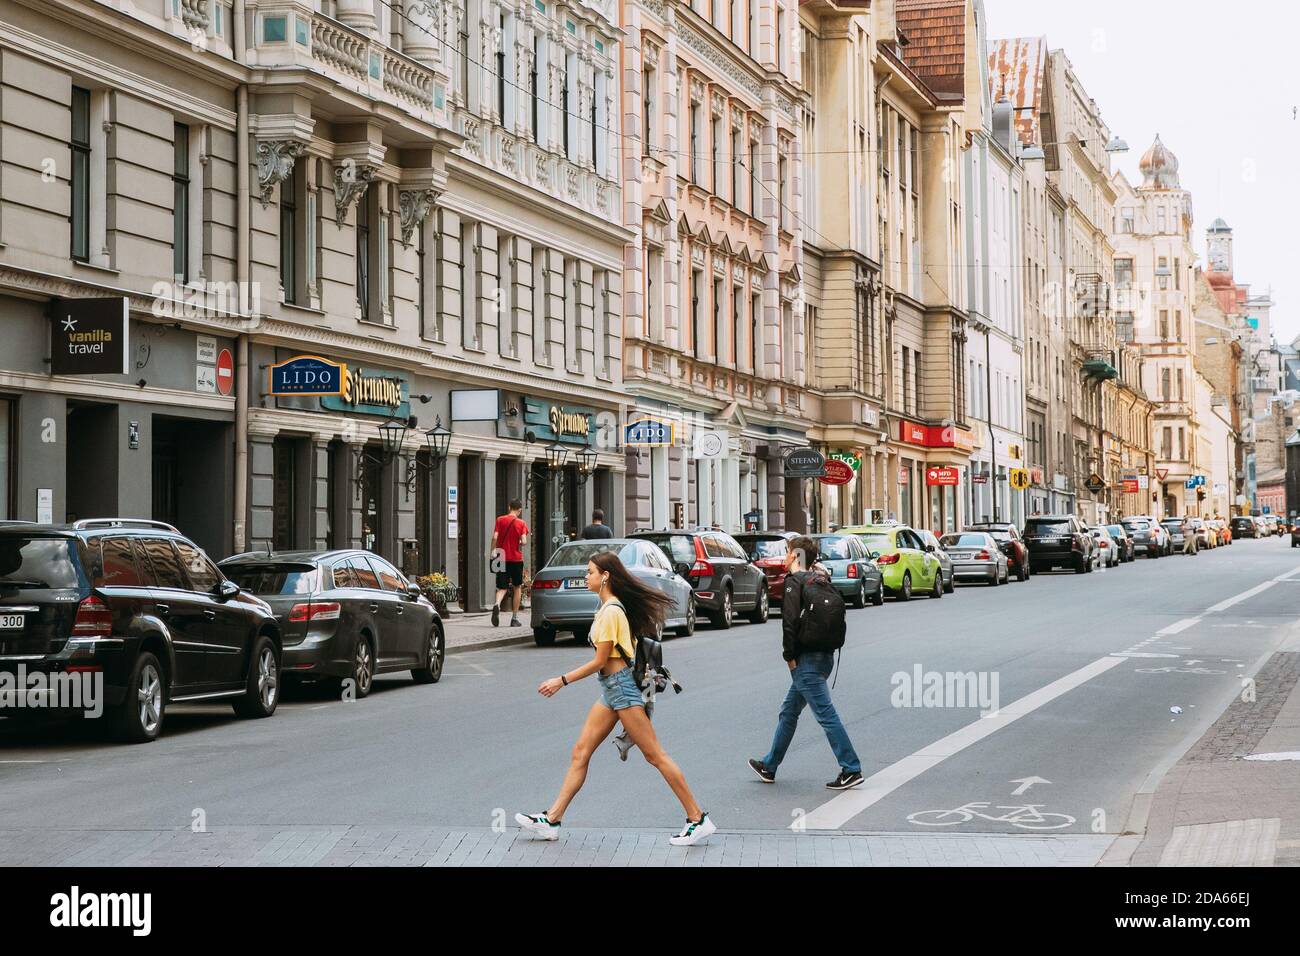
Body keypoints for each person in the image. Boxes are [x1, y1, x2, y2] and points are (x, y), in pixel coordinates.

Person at [516, 550, 716, 846]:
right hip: (611, 689)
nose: (586, 576)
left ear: (605, 576)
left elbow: (599, 661)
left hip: (621, 689)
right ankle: (552, 820)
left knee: (655, 755)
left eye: (590, 572)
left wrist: (560, 681)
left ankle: (697, 819)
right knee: (580, 752)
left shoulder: (611, 611)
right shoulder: (608, 607)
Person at [749, 535, 863, 790]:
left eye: (789, 551)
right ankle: (770, 765)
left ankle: (851, 768)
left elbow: (788, 624)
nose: (786, 555)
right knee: (789, 711)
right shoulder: (820, 578)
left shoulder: (794, 582)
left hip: (806, 662)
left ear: (796, 556)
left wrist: (789, 659)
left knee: (826, 714)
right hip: (825, 658)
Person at [490, 499, 528, 626]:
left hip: (501, 556)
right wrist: (519, 542)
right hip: (516, 559)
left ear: (509, 507)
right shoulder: (521, 523)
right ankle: (514, 618)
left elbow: (495, 537)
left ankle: (497, 604)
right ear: (520, 510)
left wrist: (493, 550)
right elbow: (524, 541)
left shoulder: (500, 520)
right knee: (517, 587)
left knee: (502, 587)